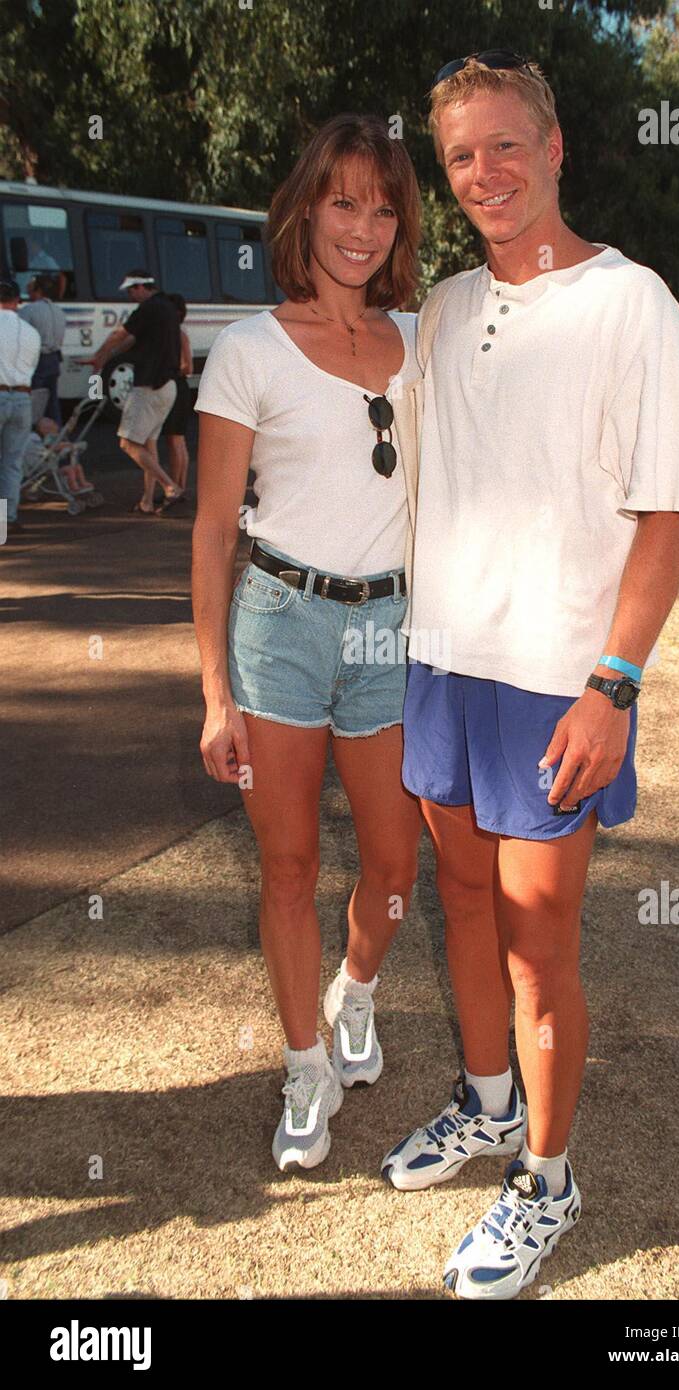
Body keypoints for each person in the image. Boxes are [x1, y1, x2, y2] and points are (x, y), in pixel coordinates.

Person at [383, 53, 679, 1300]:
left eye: (504, 146)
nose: (483, 174)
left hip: (555, 684)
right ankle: (485, 1104)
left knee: (535, 947)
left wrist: (611, 685)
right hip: (442, 667)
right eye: (461, 157)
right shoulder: (452, 309)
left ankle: (548, 1184)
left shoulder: (635, 304)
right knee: (462, 905)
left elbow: (669, 515)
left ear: (555, 147)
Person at [192, 114, 424, 1172]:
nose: (363, 226)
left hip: (390, 626)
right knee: (285, 865)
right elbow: (210, 530)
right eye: (343, 201)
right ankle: (303, 1066)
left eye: (383, 206)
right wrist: (213, 692)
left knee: (391, 860)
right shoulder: (246, 350)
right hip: (279, 625)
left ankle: (357, 991)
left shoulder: (423, 339)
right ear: (304, 209)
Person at [82, 271, 184, 515]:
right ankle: (147, 501)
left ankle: (170, 486)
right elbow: (131, 341)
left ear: (141, 287)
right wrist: (107, 357)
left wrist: (99, 356)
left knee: (127, 442)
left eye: (130, 291)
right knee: (148, 446)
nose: (130, 296)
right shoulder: (167, 308)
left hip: (149, 386)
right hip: (168, 386)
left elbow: (121, 335)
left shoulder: (148, 308)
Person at [0, 278, 41, 539]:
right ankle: (6, 519)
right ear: (18, 301)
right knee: (12, 463)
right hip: (23, 398)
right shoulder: (31, 332)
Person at [19, 275, 66, 426]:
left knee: (35, 402)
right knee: (52, 402)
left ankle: (34, 436)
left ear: (38, 290)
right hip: (54, 359)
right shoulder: (59, 311)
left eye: (30, 288)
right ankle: (56, 435)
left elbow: (19, 336)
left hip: (38, 360)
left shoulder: (28, 310)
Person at [161, 293, 192, 496]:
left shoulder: (178, 334)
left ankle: (176, 486)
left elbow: (186, 366)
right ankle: (179, 484)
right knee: (177, 440)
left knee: (174, 440)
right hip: (181, 388)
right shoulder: (179, 333)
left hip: (177, 386)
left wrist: (168, 369)